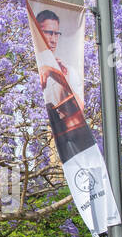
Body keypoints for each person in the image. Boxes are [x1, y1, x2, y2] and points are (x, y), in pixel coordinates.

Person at [34, 10, 97, 163]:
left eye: (56, 34)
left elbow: (77, 102)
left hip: (71, 143)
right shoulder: (27, 68)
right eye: (48, 33)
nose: (53, 39)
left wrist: (56, 73)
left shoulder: (67, 71)